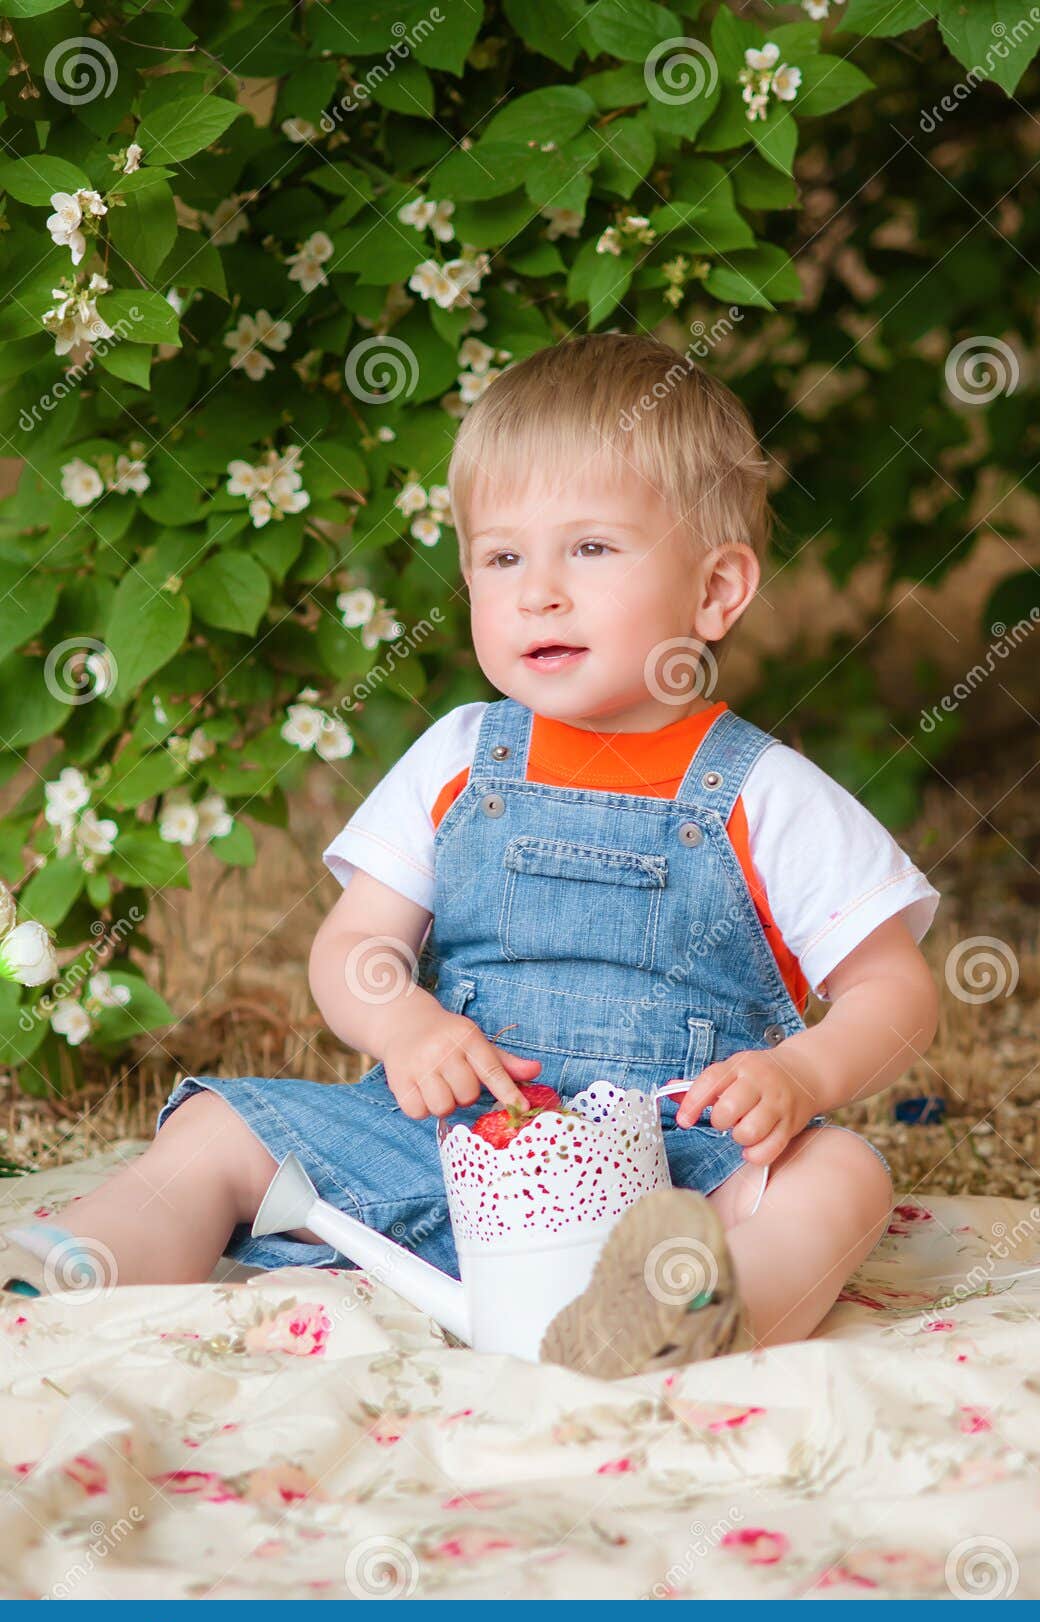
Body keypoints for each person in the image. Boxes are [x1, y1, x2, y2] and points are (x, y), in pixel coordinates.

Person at [1, 333, 940, 1380]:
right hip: (454, 1143)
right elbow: (354, 945)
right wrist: (402, 1021)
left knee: (840, 1174)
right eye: (502, 557)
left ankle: (687, 1318)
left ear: (715, 590)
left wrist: (801, 1072)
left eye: (589, 548)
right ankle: (77, 1267)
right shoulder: (460, 755)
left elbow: (892, 988)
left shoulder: (767, 795)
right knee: (222, 1127)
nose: (538, 590)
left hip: (678, 1175)